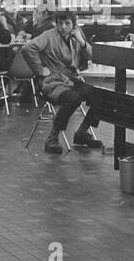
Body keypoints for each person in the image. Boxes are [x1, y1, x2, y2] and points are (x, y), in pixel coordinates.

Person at [20, 11, 105, 154]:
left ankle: (82, 133)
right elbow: (27, 48)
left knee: (100, 96)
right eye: (60, 23)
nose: (63, 27)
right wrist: (40, 70)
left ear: (73, 25)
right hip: (52, 81)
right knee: (73, 98)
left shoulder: (76, 36)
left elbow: (92, 56)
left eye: (67, 24)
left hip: (70, 80)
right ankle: (52, 138)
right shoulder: (49, 35)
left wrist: (82, 41)